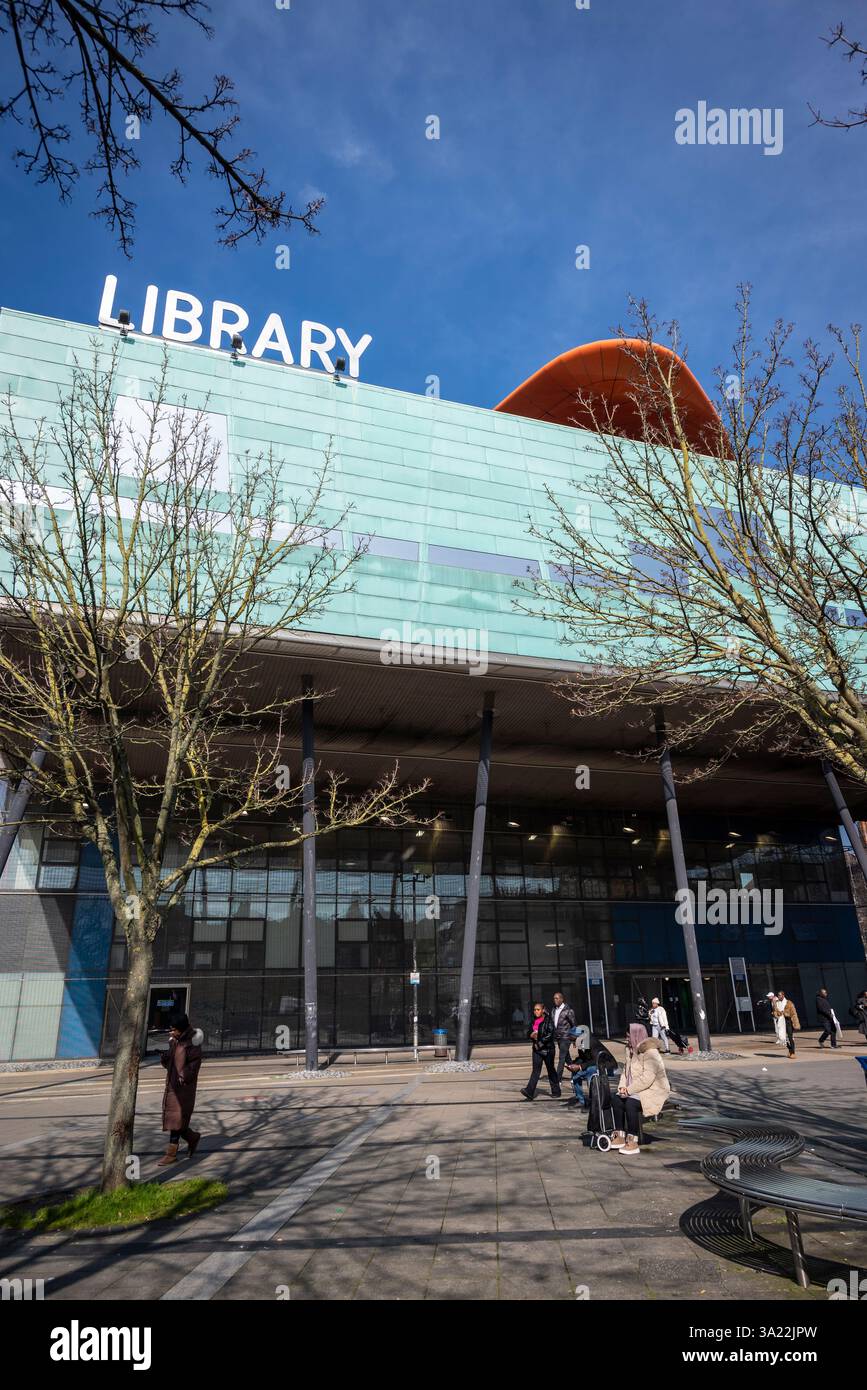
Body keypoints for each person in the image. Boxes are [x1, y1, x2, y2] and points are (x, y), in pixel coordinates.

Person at [607, 1023, 670, 1156]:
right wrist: (622, 1088)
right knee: (616, 1099)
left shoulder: (650, 1052)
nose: (627, 1039)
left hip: (652, 1090)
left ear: (636, 1036)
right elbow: (625, 1072)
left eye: (628, 1036)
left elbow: (647, 1079)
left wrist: (629, 1090)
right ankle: (619, 1135)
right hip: (635, 1089)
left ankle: (633, 1141)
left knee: (631, 1103)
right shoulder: (629, 1050)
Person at [159, 1012, 204, 1164]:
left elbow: (193, 1068)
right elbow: (169, 1063)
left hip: (184, 1089)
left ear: (181, 1028)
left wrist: (182, 1076)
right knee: (177, 1122)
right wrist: (165, 1057)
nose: (171, 1032)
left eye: (173, 1029)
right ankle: (193, 1138)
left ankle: (171, 1154)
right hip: (172, 1085)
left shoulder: (193, 1043)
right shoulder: (175, 1041)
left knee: (176, 1120)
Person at [521, 1002, 561, 1100]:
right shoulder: (533, 1020)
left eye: (538, 1009)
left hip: (547, 1050)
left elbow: (549, 1035)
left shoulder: (548, 1020)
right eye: (534, 1010)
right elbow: (529, 1032)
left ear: (543, 1010)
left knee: (551, 1070)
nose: (536, 1011)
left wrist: (539, 1042)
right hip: (536, 1050)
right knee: (535, 1071)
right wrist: (530, 1035)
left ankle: (556, 1091)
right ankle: (529, 1091)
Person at [564, 1034, 617, 1108]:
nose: (573, 1045)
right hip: (595, 1064)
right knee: (576, 1073)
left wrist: (579, 1067)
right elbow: (583, 1058)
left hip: (606, 1065)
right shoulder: (581, 1044)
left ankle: (593, 1101)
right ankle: (581, 1100)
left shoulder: (591, 1042)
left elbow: (596, 1060)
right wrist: (573, 1065)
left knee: (590, 1071)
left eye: (573, 1042)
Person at [551, 991, 577, 1083]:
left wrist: (574, 1039)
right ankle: (576, 1074)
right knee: (567, 1058)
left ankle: (557, 1079)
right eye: (554, 998)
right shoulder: (554, 1010)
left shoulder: (568, 1010)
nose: (555, 1000)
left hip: (566, 1037)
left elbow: (574, 1025)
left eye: (557, 998)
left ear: (562, 999)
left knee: (561, 1057)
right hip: (558, 1037)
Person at [775, 991, 800, 1058]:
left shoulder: (789, 1003)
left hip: (788, 1021)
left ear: (783, 995)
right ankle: (789, 1049)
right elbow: (775, 1012)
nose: (779, 996)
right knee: (781, 1038)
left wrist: (796, 1023)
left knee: (790, 1037)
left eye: (780, 995)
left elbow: (793, 1013)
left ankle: (793, 1052)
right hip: (780, 1021)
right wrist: (778, 1014)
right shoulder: (776, 1003)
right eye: (778, 995)